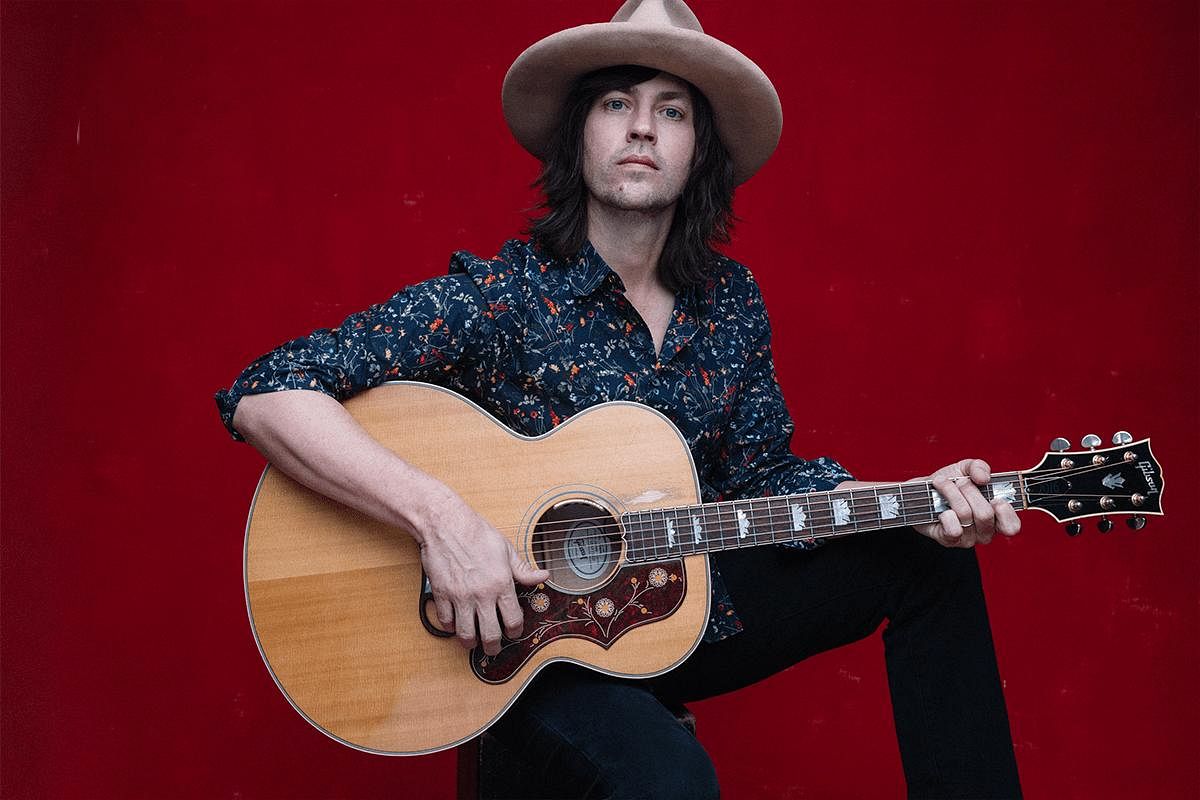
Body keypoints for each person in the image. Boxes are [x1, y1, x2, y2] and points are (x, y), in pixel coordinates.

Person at [216, 2, 1023, 797]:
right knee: (668, 782)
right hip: (526, 646)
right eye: (616, 103)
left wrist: (908, 502)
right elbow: (266, 393)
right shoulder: (504, 296)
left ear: (699, 149)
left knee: (928, 560)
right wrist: (442, 521)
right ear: (581, 134)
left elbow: (765, 478)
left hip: (680, 610)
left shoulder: (729, 303)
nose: (642, 128)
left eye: (671, 110)